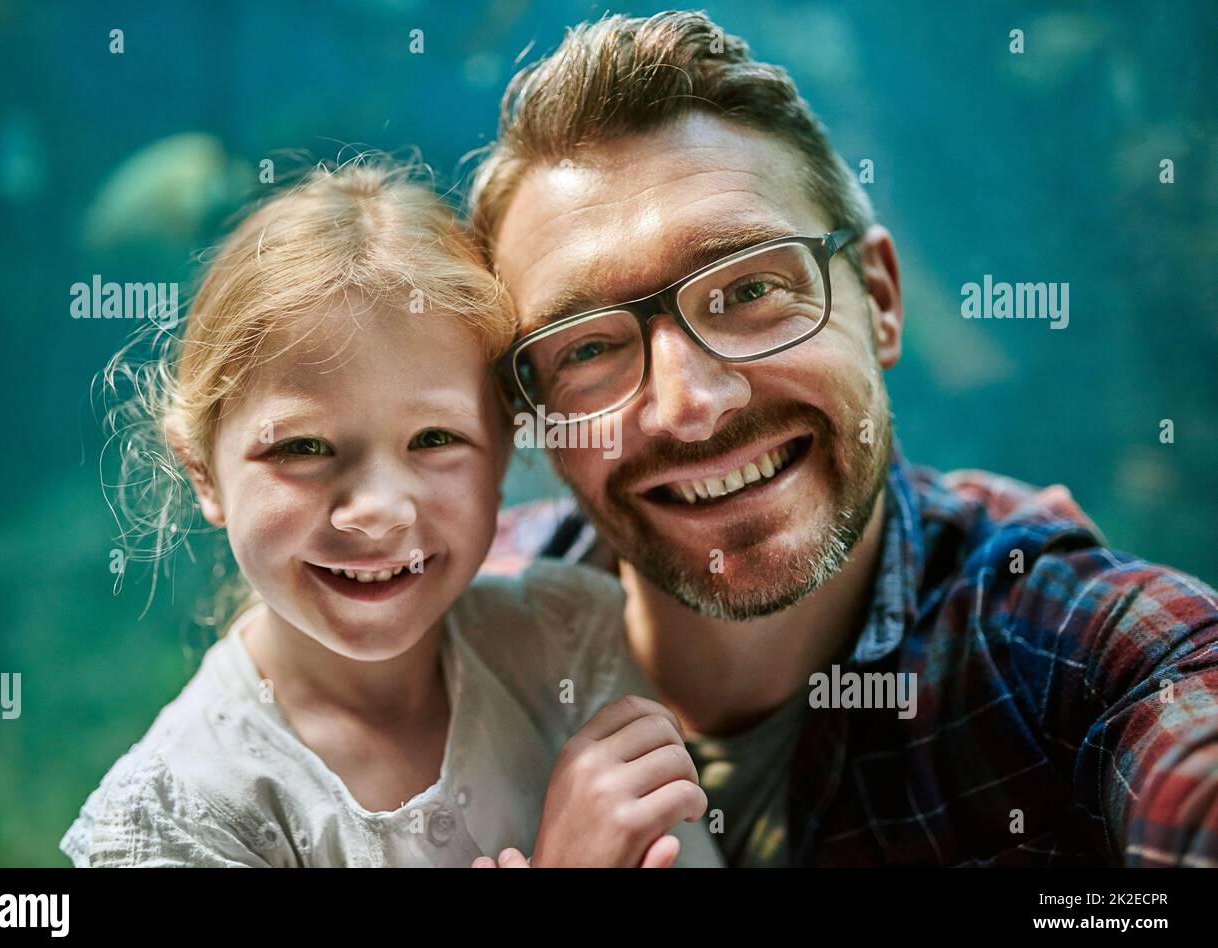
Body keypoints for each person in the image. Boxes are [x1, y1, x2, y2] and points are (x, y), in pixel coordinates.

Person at [469, 11, 1218, 866]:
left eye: (750, 287)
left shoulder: (1063, 649)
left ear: (882, 300)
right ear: (531, 414)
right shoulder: (441, 621)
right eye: (589, 347)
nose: (692, 407)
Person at [60, 159, 722, 867]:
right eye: (305, 446)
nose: (375, 512)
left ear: (503, 455)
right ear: (202, 470)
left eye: (435, 438)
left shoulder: (571, 641)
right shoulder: (176, 819)